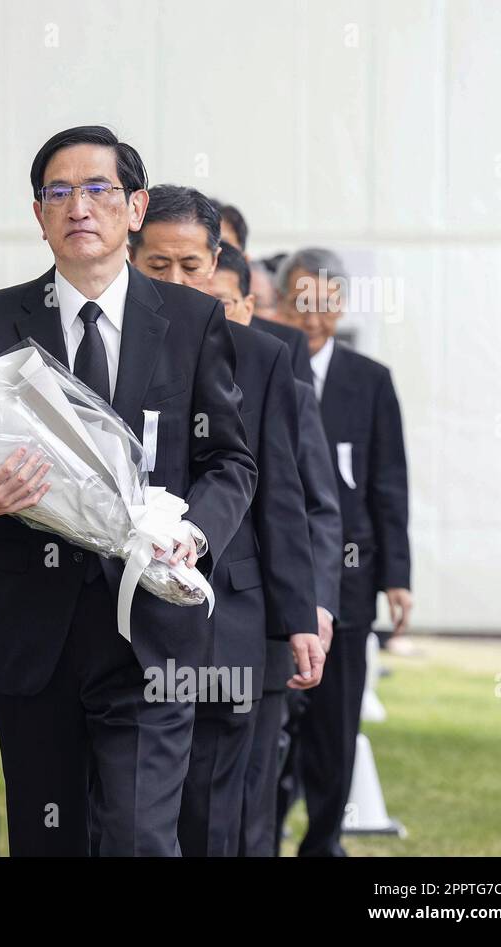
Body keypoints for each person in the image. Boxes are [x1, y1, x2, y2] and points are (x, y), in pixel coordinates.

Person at [0, 126, 257, 856]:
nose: (79, 205)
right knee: (51, 840)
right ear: (38, 214)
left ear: (135, 208)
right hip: (30, 631)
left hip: (149, 629)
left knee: (140, 836)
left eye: (99, 189)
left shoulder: (191, 320)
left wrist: (191, 535)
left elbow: (230, 461)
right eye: (59, 191)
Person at [131, 189, 322, 856]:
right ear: (130, 258)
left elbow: (283, 497)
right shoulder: (103, 348)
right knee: (125, 810)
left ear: (217, 263)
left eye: (192, 265)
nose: (178, 281)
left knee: (216, 815)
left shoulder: (264, 359)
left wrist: (300, 614)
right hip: (119, 613)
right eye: (159, 266)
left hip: (228, 620)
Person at [277, 247, 413, 856]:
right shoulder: (261, 366)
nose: (311, 316)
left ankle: (324, 840)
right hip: (276, 574)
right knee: (274, 723)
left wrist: (397, 577)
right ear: (281, 303)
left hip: (349, 579)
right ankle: (262, 831)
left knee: (335, 722)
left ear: (340, 307)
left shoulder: (370, 380)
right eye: (300, 301)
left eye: (323, 303)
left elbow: (390, 482)